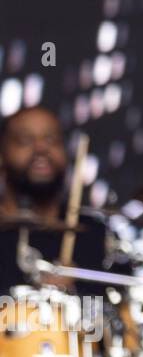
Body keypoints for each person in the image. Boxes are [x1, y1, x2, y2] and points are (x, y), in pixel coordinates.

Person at [0, 105, 107, 292]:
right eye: (25, 140)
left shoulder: (94, 234)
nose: (41, 148)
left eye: (52, 140)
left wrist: (75, 296)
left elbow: (116, 314)